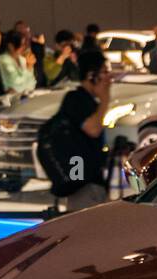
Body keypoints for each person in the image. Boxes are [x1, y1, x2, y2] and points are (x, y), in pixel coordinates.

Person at [53, 47, 111, 211]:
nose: (109, 78)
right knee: (83, 222)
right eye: (104, 72)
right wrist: (105, 101)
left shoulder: (88, 101)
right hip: (80, 179)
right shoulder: (76, 99)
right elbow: (93, 129)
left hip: (89, 177)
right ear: (91, 75)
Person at [0, 29, 36, 94]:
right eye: (21, 44)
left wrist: (29, 68)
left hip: (26, 96)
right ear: (10, 46)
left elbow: (32, 84)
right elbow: (15, 84)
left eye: (24, 44)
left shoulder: (23, 59)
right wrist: (28, 68)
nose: (24, 47)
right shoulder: (3, 60)